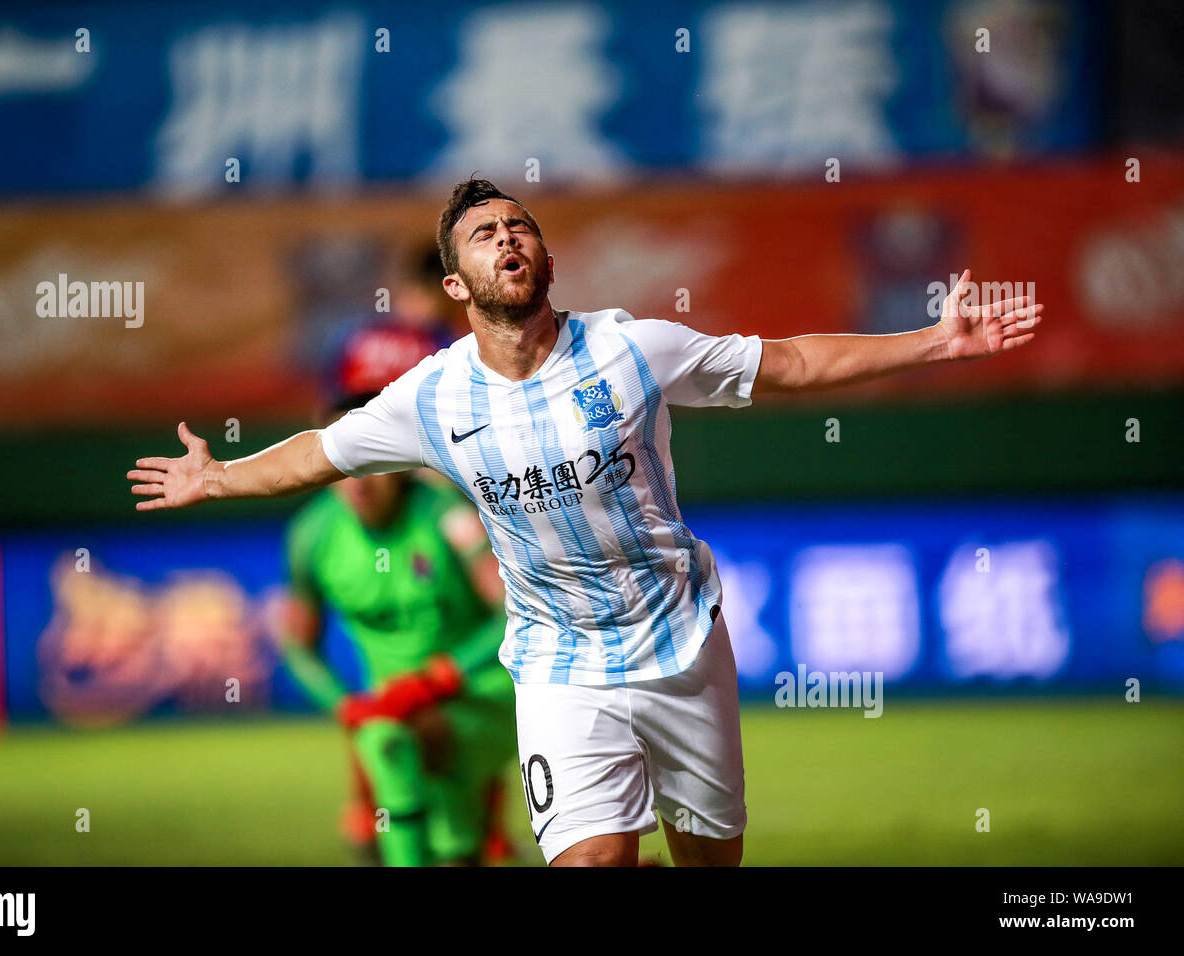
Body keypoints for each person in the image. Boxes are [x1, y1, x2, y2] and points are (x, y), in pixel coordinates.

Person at [129, 179, 1043, 867]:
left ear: (547, 259)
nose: (507, 238)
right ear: (457, 280)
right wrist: (219, 478)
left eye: (519, 226)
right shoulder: (434, 397)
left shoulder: (630, 349)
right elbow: (321, 452)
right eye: (484, 234)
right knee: (594, 860)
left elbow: (791, 363)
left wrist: (936, 341)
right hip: (561, 667)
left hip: (683, 645)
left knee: (708, 859)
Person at [275, 392, 517, 867]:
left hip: (481, 694)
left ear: (401, 458)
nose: (355, 481)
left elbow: (513, 612)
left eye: (368, 460)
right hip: (391, 713)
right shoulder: (312, 535)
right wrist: (344, 704)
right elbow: (298, 644)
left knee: (404, 741)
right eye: (338, 460)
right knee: (389, 743)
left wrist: (443, 676)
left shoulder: (449, 518)